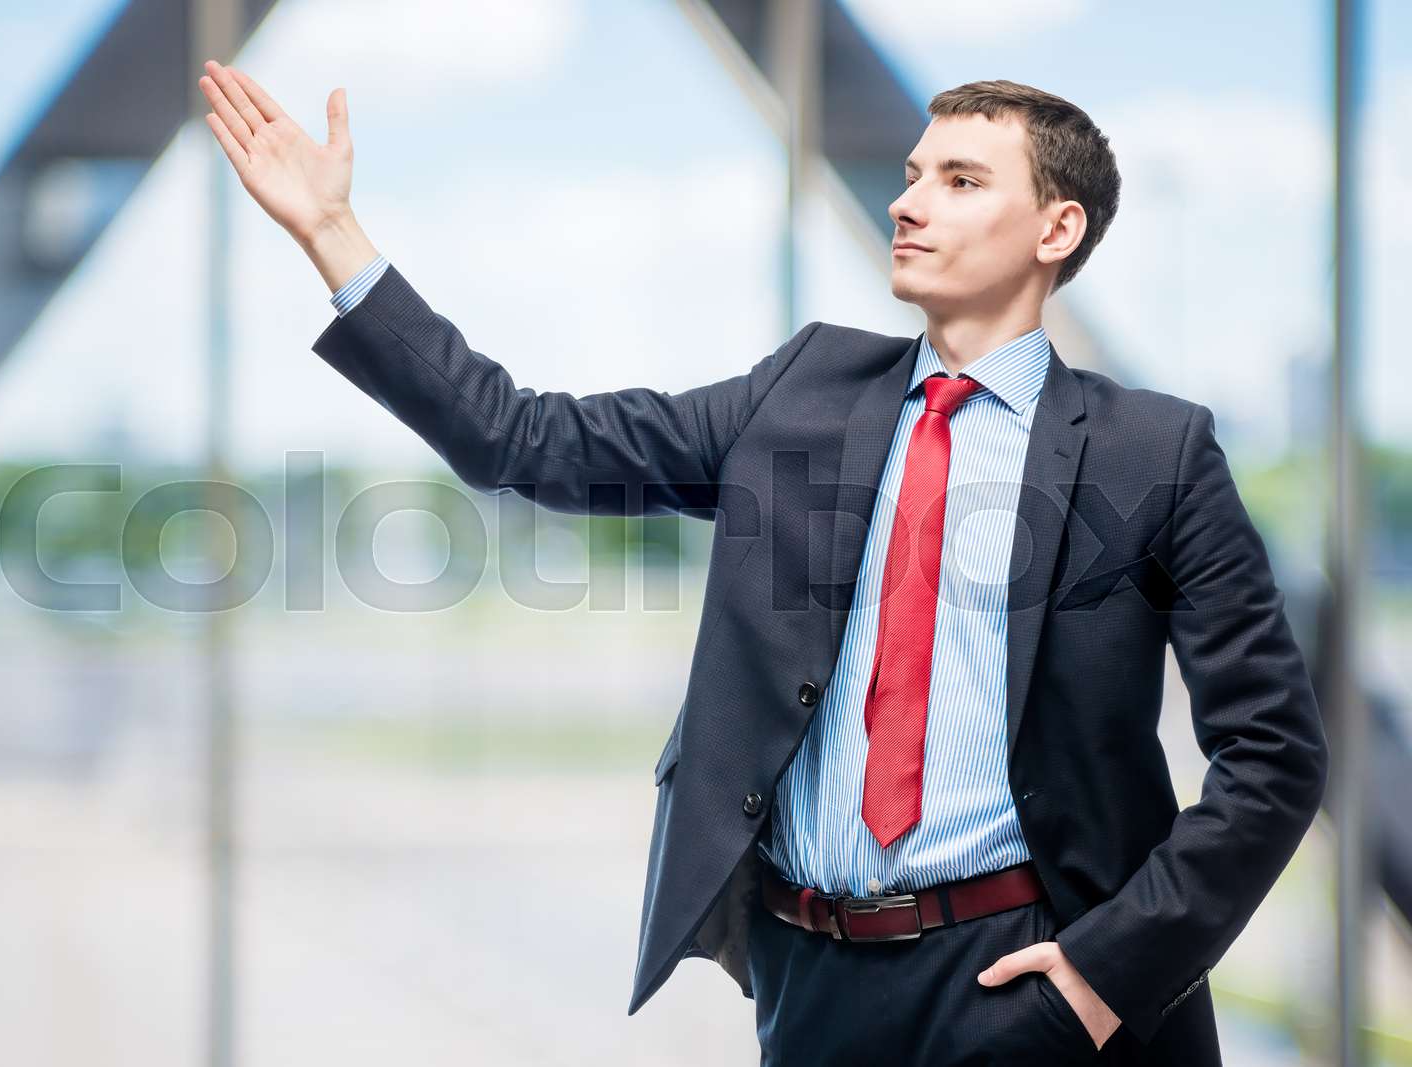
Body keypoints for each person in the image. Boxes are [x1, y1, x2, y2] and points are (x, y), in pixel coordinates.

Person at [197, 63, 1329, 1066]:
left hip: (1029, 977)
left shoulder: (1155, 450)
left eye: (960, 180)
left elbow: (1273, 755)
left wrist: (1098, 978)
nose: (906, 201)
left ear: (1055, 229)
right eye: (910, 171)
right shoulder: (801, 394)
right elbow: (521, 437)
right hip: (814, 983)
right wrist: (333, 237)